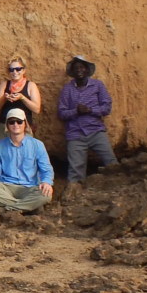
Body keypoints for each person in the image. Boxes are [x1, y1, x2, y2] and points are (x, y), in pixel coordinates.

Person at [55, 54, 117, 192]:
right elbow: (61, 113)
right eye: (76, 68)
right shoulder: (67, 89)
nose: (79, 70)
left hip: (96, 131)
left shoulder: (98, 85)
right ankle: (73, 198)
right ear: (72, 72)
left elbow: (107, 108)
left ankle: (118, 191)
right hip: (75, 135)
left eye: (82, 67)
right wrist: (76, 111)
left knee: (111, 163)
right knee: (75, 171)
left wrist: (90, 110)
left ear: (88, 70)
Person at [0, 108, 54, 217]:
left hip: (30, 187)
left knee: (45, 195)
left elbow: (46, 169)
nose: (16, 124)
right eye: (11, 122)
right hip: (6, 187)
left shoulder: (37, 145)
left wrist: (47, 182)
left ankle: (5, 211)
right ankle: (28, 209)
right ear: (7, 125)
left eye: (19, 121)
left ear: (25, 124)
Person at [0, 55, 42, 130]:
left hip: (23, 127)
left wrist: (22, 98)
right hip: (5, 126)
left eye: (18, 69)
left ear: (24, 70)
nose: (15, 72)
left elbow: (37, 109)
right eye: (11, 69)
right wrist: (4, 98)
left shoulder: (31, 85)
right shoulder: (4, 84)